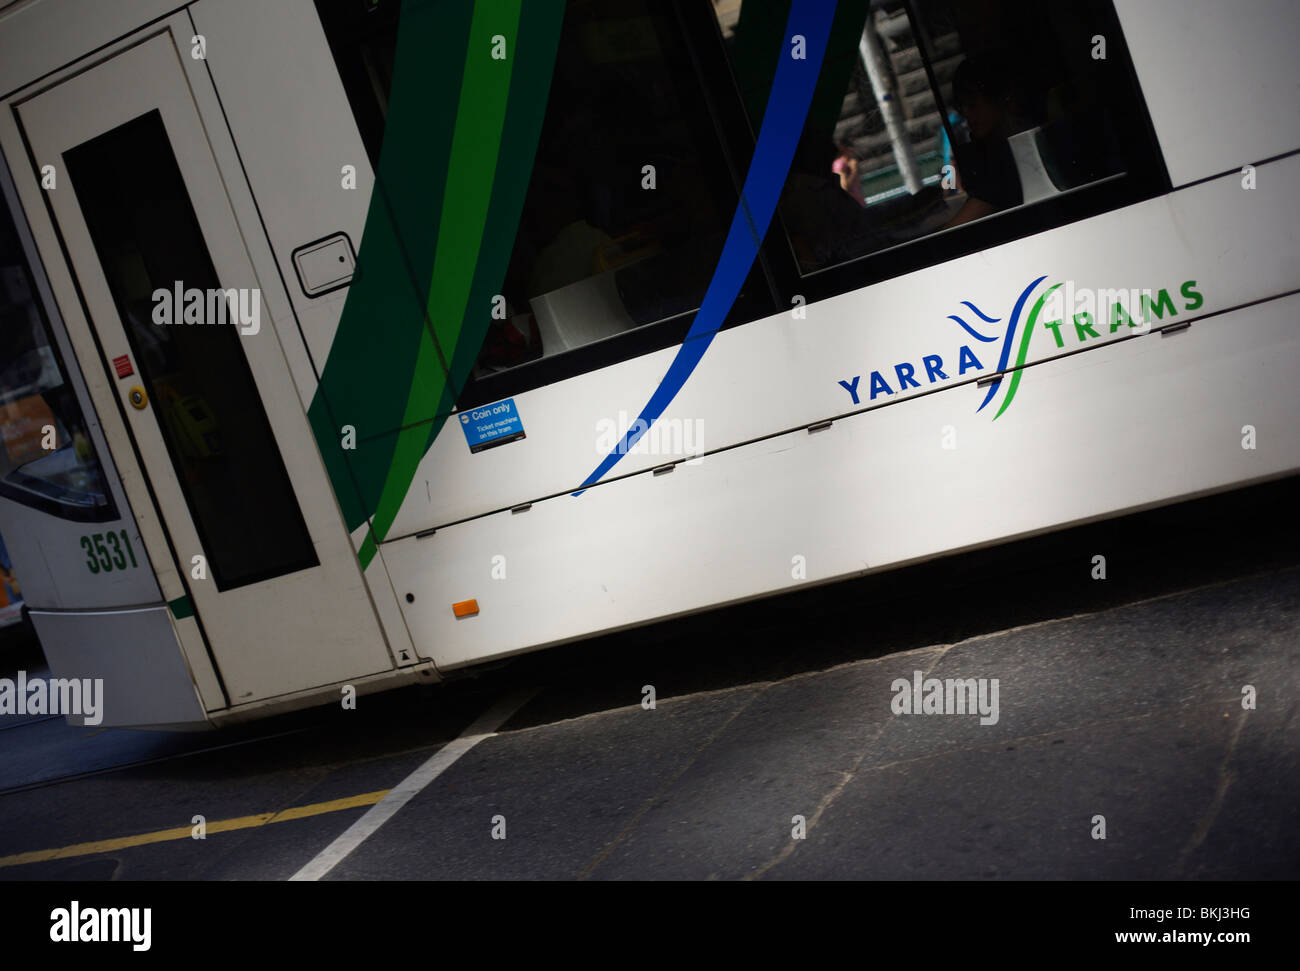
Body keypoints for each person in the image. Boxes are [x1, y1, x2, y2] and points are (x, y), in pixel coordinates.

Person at [942, 57, 1027, 228]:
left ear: (1003, 98)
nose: (966, 113)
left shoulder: (1011, 159)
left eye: (973, 103)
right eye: (961, 106)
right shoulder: (998, 154)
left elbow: (955, 230)